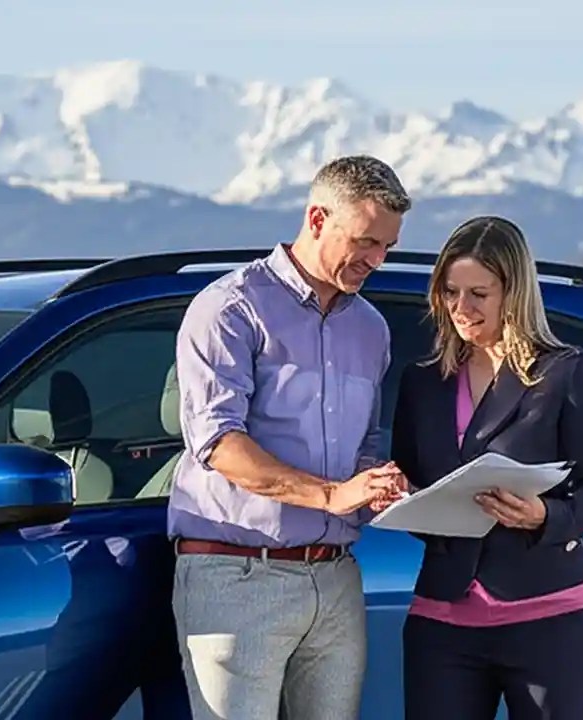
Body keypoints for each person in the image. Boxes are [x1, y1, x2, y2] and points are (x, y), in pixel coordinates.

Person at [166, 154, 412, 720]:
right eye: (366, 241)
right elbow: (218, 443)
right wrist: (331, 494)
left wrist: (380, 488)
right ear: (318, 218)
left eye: (387, 247)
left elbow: (364, 445)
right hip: (236, 575)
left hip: (335, 579)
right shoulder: (231, 309)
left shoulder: (370, 330)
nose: (376, 260)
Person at [391, 216, 583, 720]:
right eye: (450, 292)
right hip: (442, 623)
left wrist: (545, 515)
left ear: (513, 294)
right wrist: (400, 498)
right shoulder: (421, 383)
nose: (461, 308)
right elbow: (415, 484)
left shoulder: (566, 372)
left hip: (550, 620)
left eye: (479, 293)